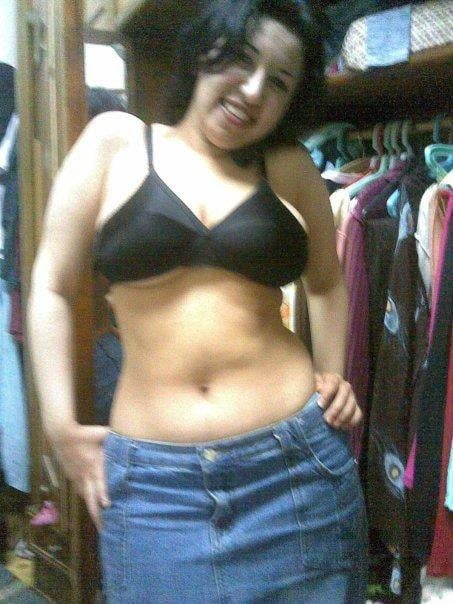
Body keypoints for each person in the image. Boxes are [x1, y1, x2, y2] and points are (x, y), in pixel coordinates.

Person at [27, 1, 368, 601]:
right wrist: (59, 426)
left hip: (296, 470)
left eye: (279, 83)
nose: (254, 91)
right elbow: (51, 286)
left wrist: (334, 374)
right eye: (241, 59)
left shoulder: (286, 165)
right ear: (204, 51)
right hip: (157, 493)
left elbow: (327, 283)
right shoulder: (116, 142)